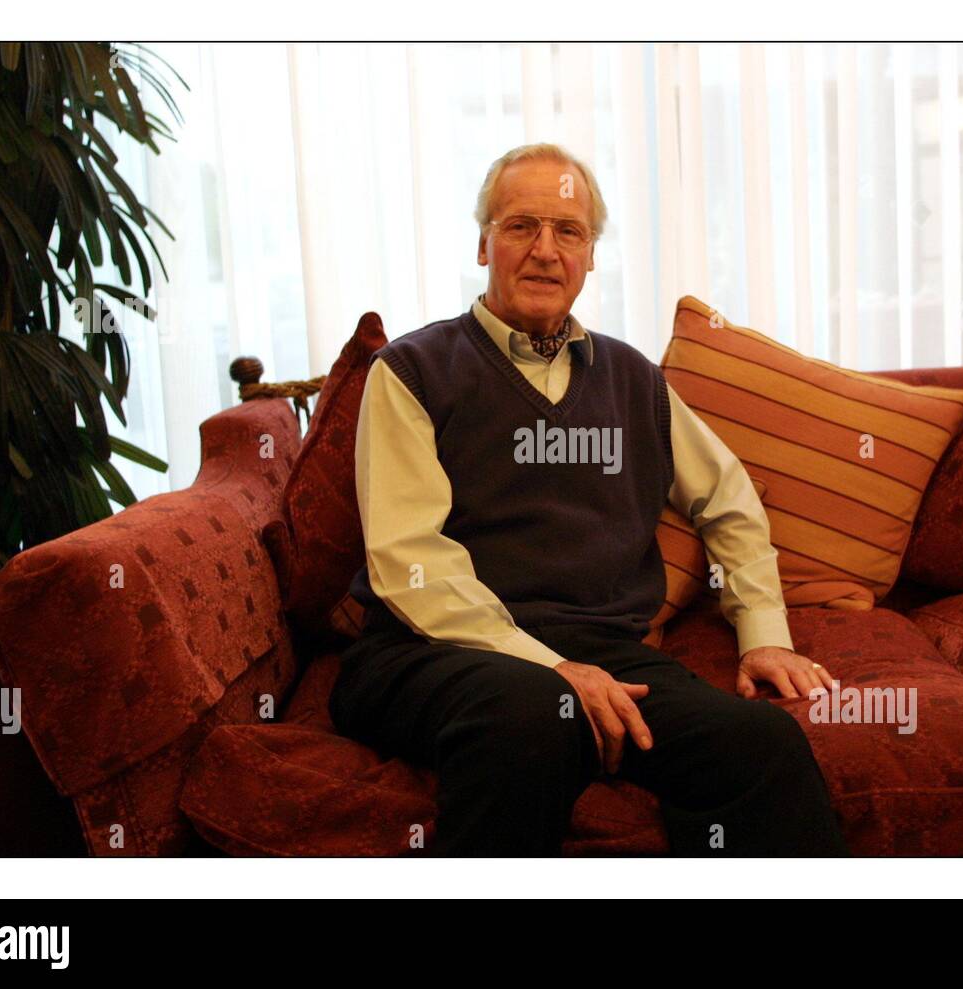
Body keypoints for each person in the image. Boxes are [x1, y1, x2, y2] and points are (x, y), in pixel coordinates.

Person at [329, 142, 849, 857]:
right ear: (483, 243)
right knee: (537, 712)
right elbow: (409, 560)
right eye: (521, 226)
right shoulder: (413, 371)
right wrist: (549, 669)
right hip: (428, 649)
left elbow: (729, 498)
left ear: (591, 256)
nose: (545, 250)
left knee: (761, 743)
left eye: (568, 231)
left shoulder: (633, 379)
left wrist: (763, 631)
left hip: (604, 653)